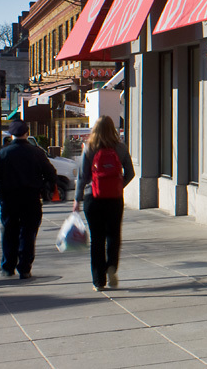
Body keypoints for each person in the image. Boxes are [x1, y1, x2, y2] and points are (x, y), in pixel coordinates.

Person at [0, 119, 58, 279]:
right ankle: (25, 267)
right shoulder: (36, 152)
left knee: (9, 231)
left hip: (9, 198)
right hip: (31, 198)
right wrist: (46, 189)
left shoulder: (3, 153)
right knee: (28, 232)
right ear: (27, 133)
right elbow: (51, 174)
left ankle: (8, 266)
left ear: (11, 135)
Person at [75, 116, 135, 291]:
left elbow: (82, 177)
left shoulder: (89, 148)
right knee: (114, 236)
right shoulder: (121, 148)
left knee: (97, 239)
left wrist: (77, 199)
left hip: (93, 198)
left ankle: (98, 281)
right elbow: (130, 173)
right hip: (114, 200)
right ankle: (112, 267)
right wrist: (118, 186)